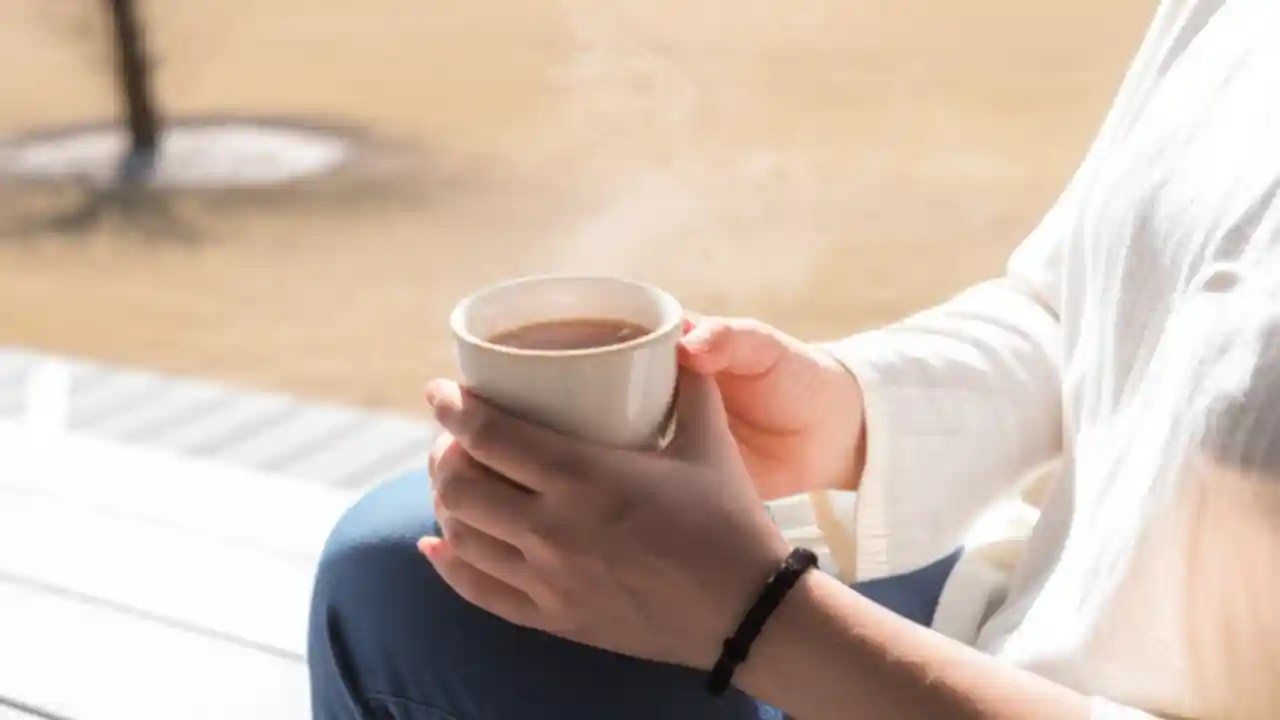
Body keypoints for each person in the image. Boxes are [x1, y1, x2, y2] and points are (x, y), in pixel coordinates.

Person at [309, 0, 1280, 717]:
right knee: (403, 564)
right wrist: (850, 415)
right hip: (1019, 610)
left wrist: (756, 616)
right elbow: (1074, 308)